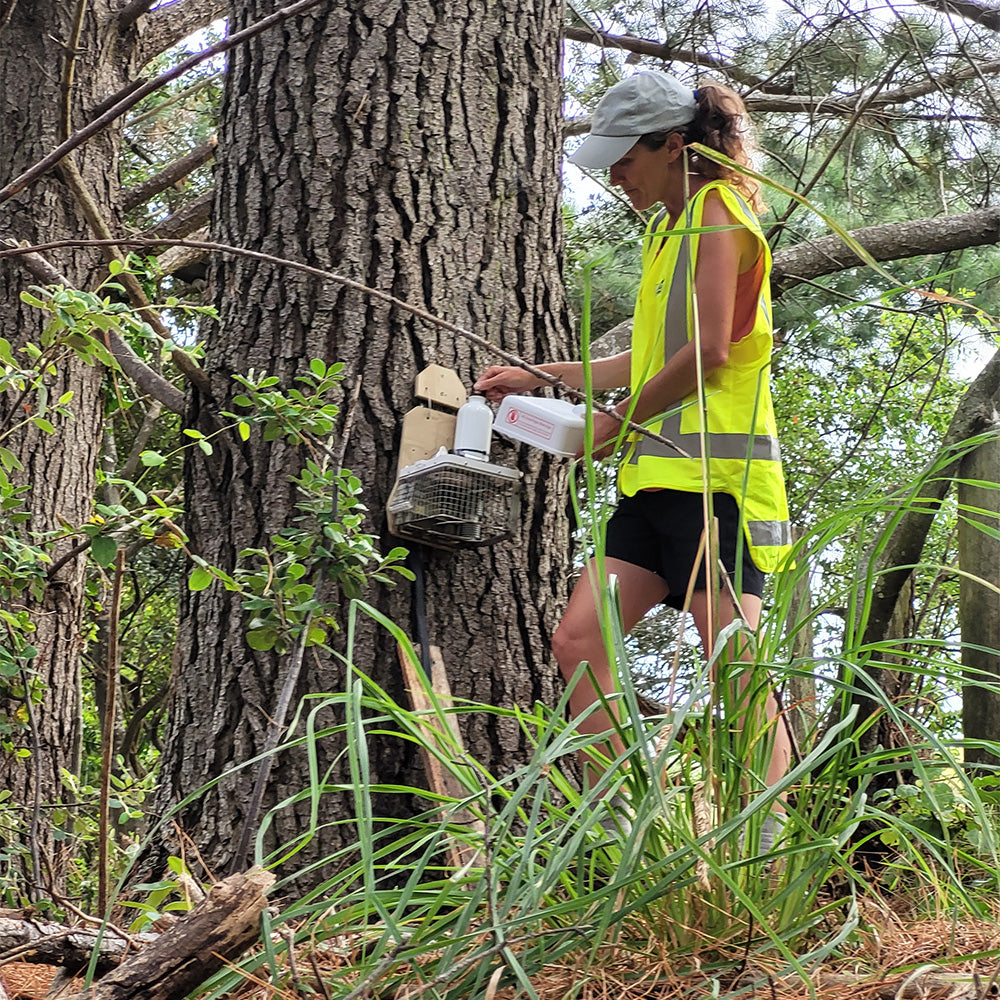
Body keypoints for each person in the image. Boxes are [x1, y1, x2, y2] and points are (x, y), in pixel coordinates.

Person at [475, 71, 793, 820]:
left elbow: (710, 353)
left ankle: (767, 850)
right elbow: (649, 357)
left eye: (624, 158)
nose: (616, 174)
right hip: (653, 487)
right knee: (578, 641)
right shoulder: (668, 230)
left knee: (734, 668)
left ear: (673, 145)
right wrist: (542, 373)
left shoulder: (718, 212)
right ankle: (638, 830)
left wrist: (614, 423)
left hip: (717, 486)